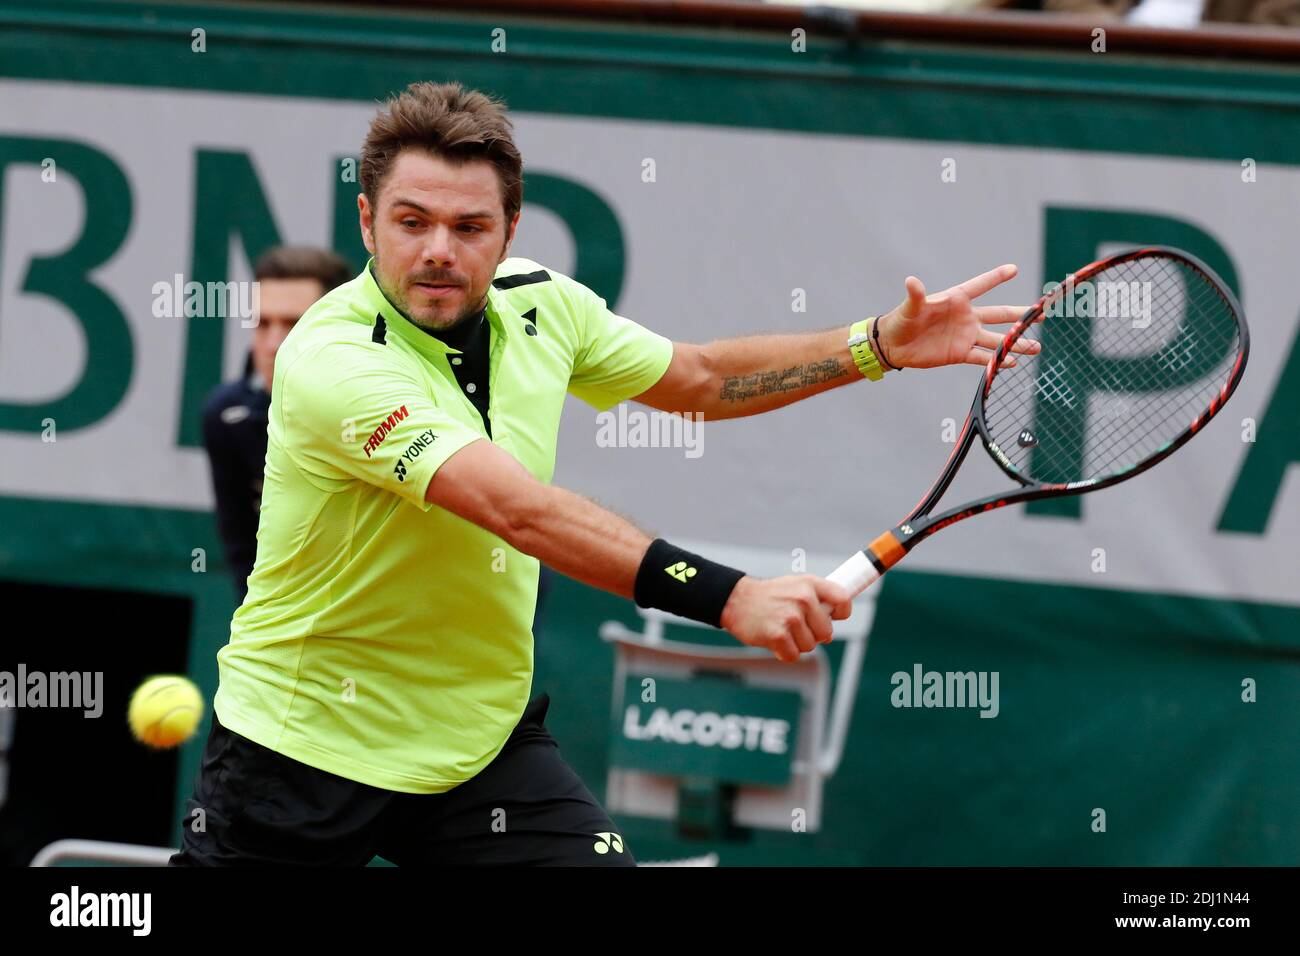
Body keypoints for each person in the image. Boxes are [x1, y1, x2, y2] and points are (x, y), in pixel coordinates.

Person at [172, 80, 1033, 867]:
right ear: (366, 223)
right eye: (412, 221)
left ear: (510, 231)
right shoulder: (331, 360)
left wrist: (875, 345)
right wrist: (730, 596)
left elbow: (698, 378)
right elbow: (518, 513)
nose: (439, 250)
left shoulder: (545, 302)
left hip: (475, 746)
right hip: (304, 747)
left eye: (470, 228)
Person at [201, 247, 352, 602]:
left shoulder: (386, 406)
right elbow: (246, 559)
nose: (272, 344)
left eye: (293, 324)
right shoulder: (225, 417)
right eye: (262, 323)